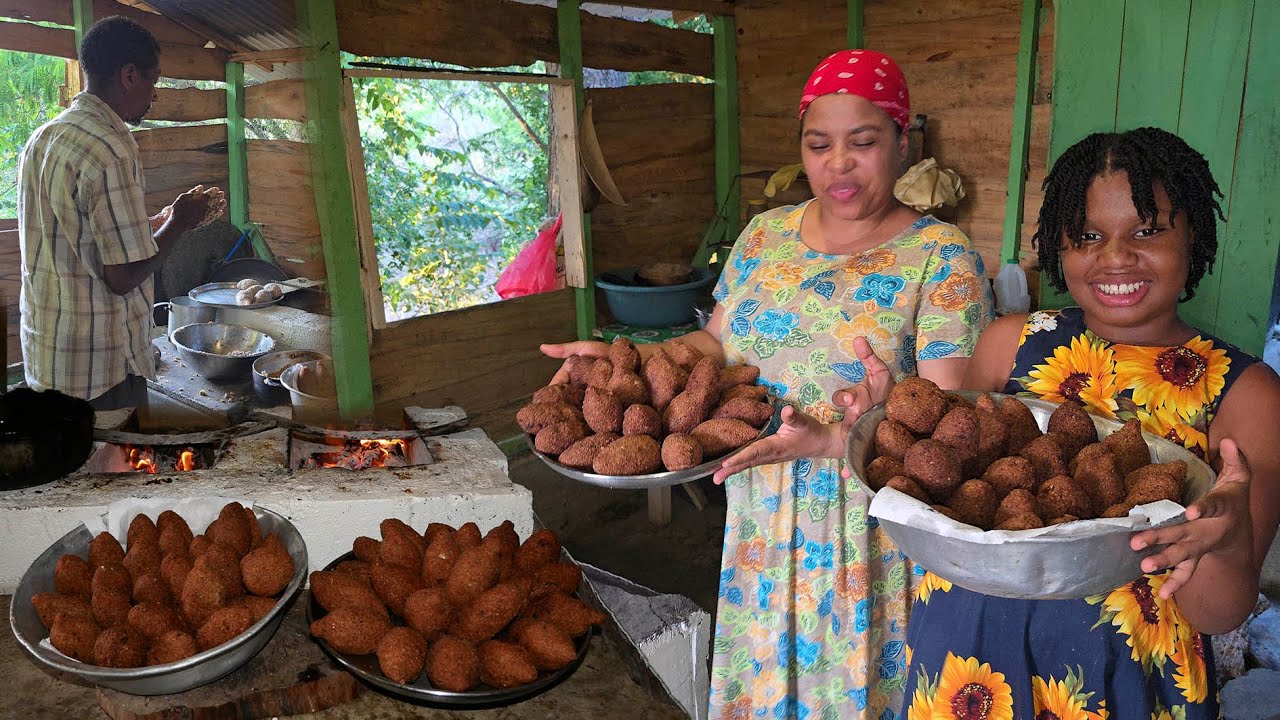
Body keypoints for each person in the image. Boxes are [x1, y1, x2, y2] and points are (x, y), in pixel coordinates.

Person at [758, 127, 1280, 719]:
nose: (1115, 256)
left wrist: (1228, 538)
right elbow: (951, 471)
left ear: (1194, 237)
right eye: (1088, 235)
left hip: (1125, 665)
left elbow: (1220, 612)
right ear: (1060, 243)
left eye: (1148, 230)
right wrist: (868, 426)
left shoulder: (1248, 394)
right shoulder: (1012, 343)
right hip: (969, 648)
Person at [542, 49, 994, 720]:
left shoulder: (941, 255)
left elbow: (946, 420)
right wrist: (624, 357)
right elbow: (714, 346)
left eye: (863, 142)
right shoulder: (763, 236)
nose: (837, 162)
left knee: (853, 691)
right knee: (767, 685)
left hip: (866, 522)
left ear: (903, 145)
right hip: (758, 510)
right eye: (819, 144)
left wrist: (849, 427)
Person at [18, 15, 225, 410]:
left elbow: (76, 237)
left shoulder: (43, 138)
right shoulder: (111, 148)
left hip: (48, 358)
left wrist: (155, 223)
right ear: (130, 75)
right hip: (100, 370)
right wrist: (181, 221)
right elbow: (122, 276)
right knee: (119, 469)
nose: (155, 95)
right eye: (154, 80)